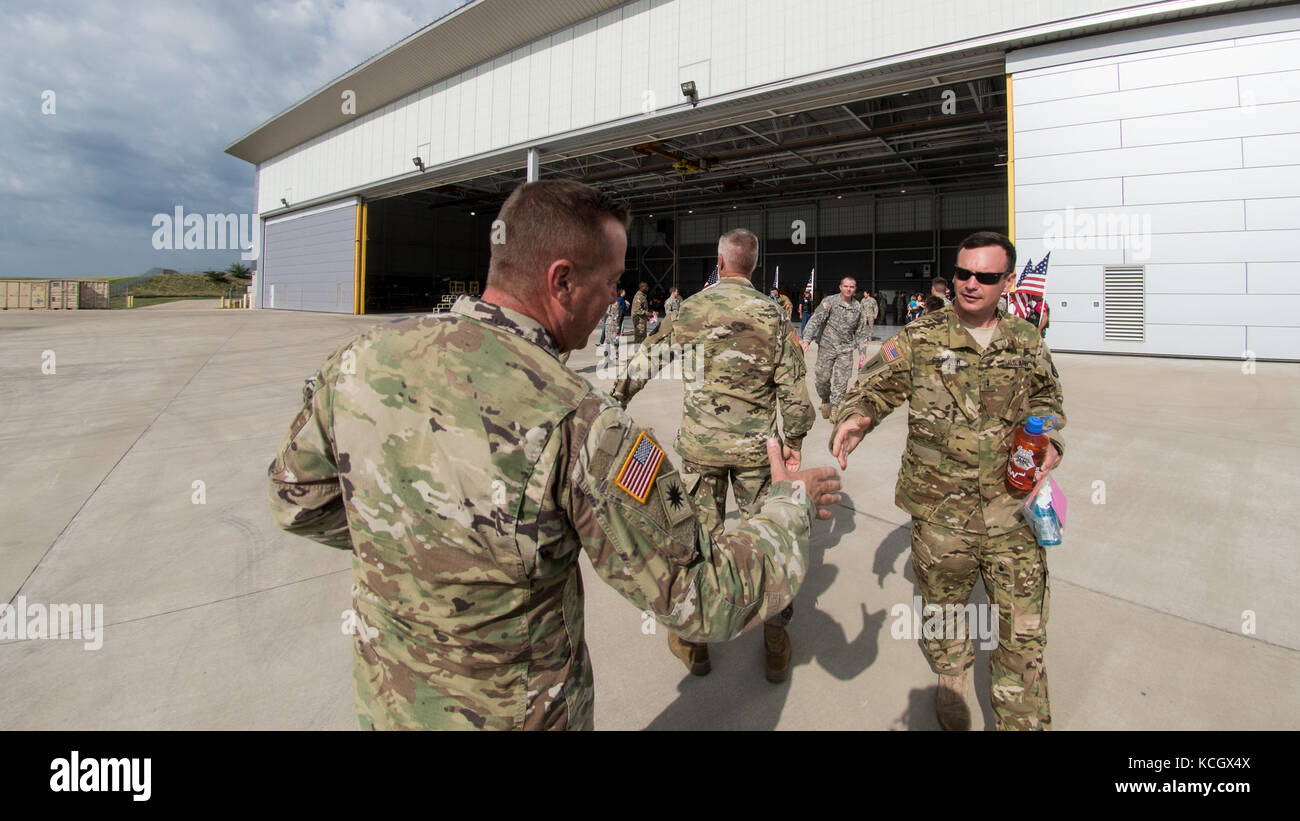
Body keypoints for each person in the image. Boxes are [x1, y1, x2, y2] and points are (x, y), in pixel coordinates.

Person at [268, 180, 841, 731]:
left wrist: (422, 536)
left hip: (387, 706)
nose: (615, 299)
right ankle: (775, 636)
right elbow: (699, 597)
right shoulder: (581, 424)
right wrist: (791, 502)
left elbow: (298, 502)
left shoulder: (357, 363)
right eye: (612, 281)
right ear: (562, 280)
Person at [831, 230, 1065, 732]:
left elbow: (1049, 405)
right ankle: (952, 675)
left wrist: (1051, 447)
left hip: (1012, 512)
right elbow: (874, 386)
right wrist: (857, 417)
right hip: (941, 513)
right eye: (962, 273)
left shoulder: (1026, 342)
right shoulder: (920, 337)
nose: (971, 284)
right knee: (943, 609)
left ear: (1006, 282)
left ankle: (1019, 719)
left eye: (985, 276)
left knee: (1024, 634)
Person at [613, 228, 815, 682]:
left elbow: (648, 358)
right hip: (756, 453)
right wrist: (794, 440)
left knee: (697, 540)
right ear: (754, 267)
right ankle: (775, 640)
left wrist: (615, 401)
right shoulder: (773, 313)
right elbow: (793, 387)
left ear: (719, 263)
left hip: (702, 450)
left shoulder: (691, 309)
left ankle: (695, 640)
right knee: (768, 542)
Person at [801, 276, 871, 420]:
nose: (848, 289)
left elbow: (861, 331)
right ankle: (825, 399)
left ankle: (836, 406)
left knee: (842, 379)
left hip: (845, 349)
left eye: (852, 287)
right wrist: (807, 339)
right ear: (840, 287)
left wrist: (862, 351)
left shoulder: (858, 307)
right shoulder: (829, 302)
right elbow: (815, 320)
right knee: (822, 378)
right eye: (846, 286)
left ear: (855, 289)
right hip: (827, 347)